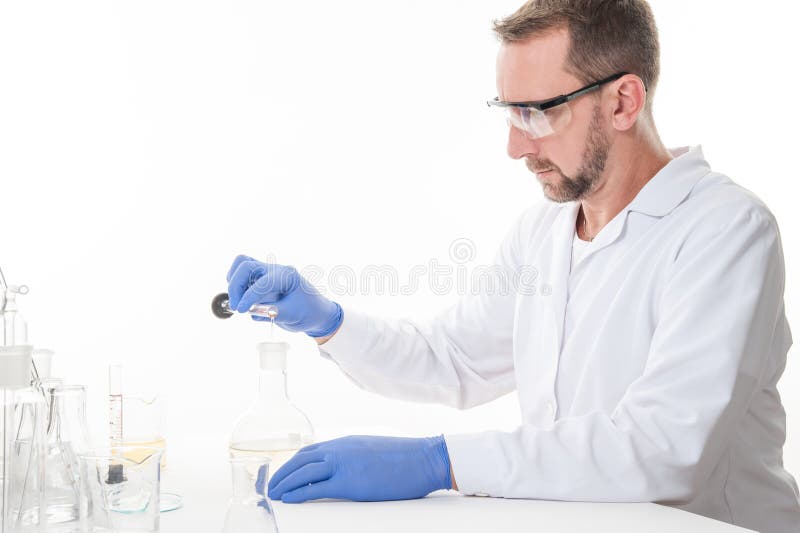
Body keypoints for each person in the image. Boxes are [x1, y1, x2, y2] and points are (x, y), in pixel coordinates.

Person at [225, 1, 799, 531]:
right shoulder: (543, 231)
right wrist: (328, 322)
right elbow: (454, 360)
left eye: (538, 112)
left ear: (623, 101)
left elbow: (663, 448)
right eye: (509, 112)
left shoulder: (725, 230)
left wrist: (441, 462)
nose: (515, 147)